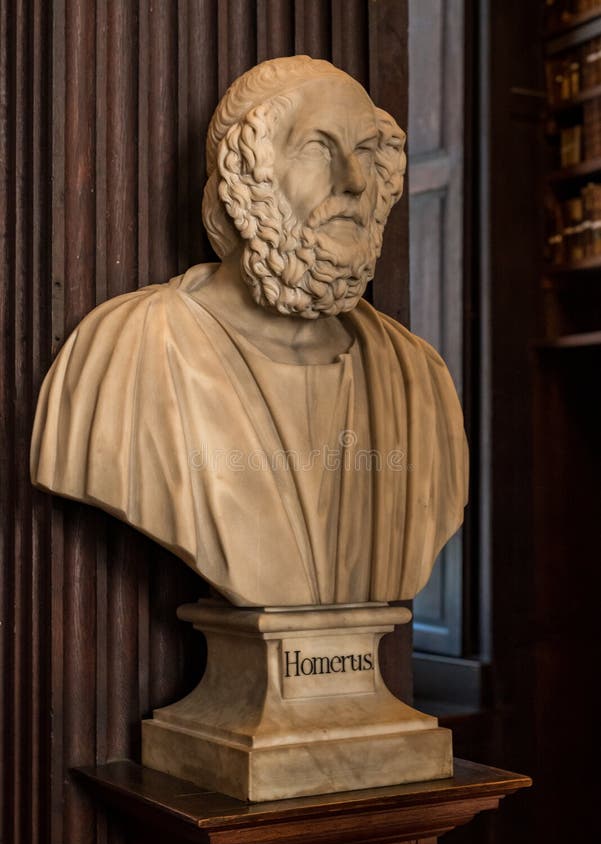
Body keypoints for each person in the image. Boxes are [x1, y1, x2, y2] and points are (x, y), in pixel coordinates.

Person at [31, 55, 468, 608]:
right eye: (318, 148)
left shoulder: (417, 377)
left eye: (364, 152)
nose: (355, 182)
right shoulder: (127, 351)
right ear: (246, 173)